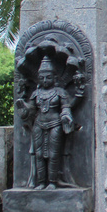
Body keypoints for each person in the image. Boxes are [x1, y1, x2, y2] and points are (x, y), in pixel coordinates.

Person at [18, 55, 76, 189]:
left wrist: (66, 116)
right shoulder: (36, 93)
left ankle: (52, 182)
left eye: (48, 77)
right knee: (38, 154)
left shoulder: (60, 92)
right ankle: (41, 182)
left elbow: (66, 108)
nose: (45, 80)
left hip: (55, 124)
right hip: (39, 124)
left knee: (53, 154)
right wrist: (24, 108)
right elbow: (32, 110)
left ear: (54, 78)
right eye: (42, 77)